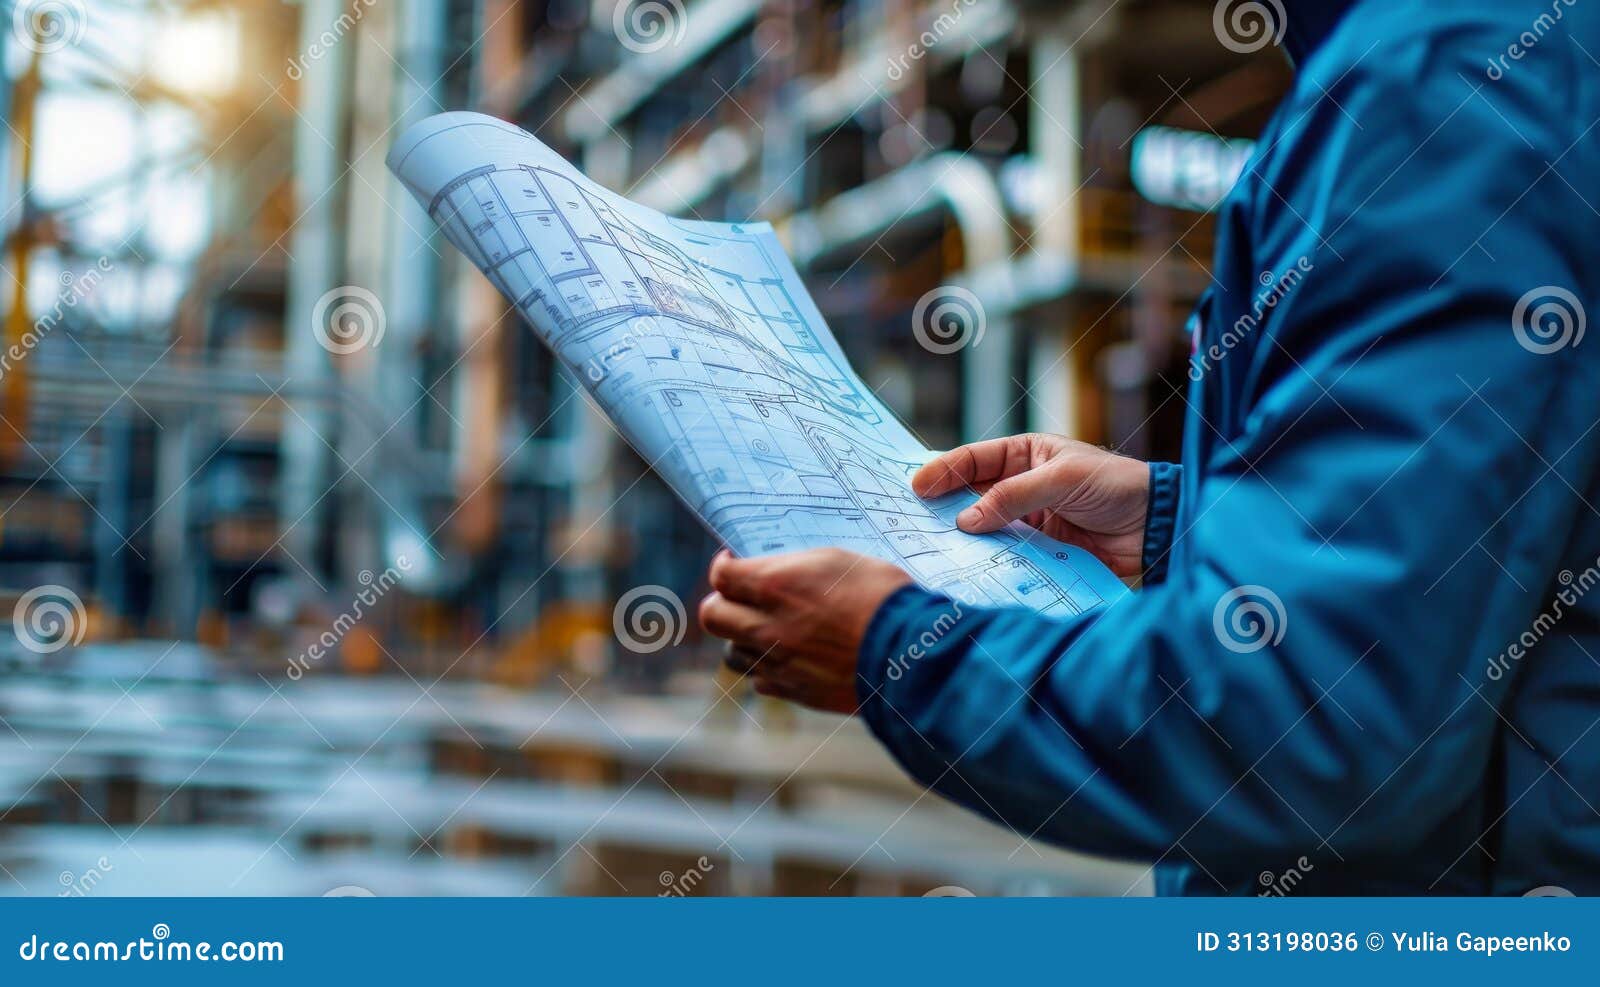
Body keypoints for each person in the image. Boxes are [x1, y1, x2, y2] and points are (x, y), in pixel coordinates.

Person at [698, 0, 1600, 895]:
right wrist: (1179, 521)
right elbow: (1489, 543)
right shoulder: (1466, 58)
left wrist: (895, 654)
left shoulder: (1437, 81)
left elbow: (1300, 715)